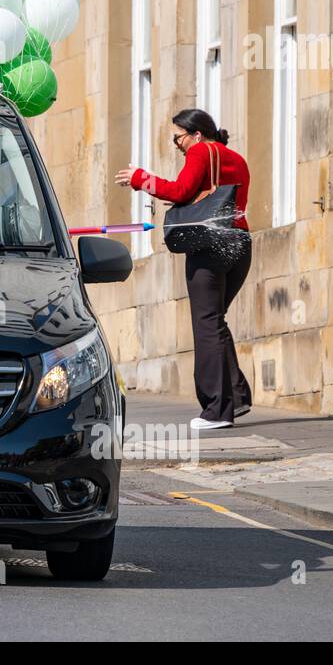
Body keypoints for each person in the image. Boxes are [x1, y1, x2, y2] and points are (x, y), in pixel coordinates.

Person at [115, 108, 252, 430]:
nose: (176, 144)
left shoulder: (202, 151)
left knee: (206, 323)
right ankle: (237, 394)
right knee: (215, 321)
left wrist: (140, 179)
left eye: (178, 137)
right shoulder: (235, 157)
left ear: (196, 135)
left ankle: (217, 410)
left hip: (210, 245)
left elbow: (180, 191)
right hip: (240, 242)